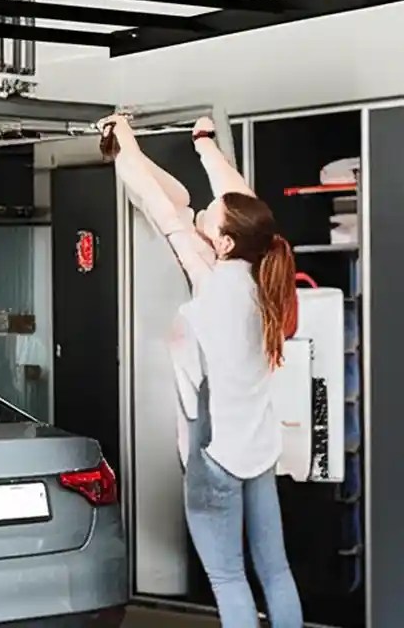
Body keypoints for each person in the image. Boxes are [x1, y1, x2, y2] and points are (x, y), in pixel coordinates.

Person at [99, 113, 303, 628]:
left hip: (214, 456)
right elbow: (241, 201)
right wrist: (205, 144)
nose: (201, 218)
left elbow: (158, 201)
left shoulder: (209, 277)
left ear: (225, 243)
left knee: (229, 579)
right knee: (275, 571)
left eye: (209, 218)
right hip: (258, 451)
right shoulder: (264, 280)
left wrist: (124, 140)